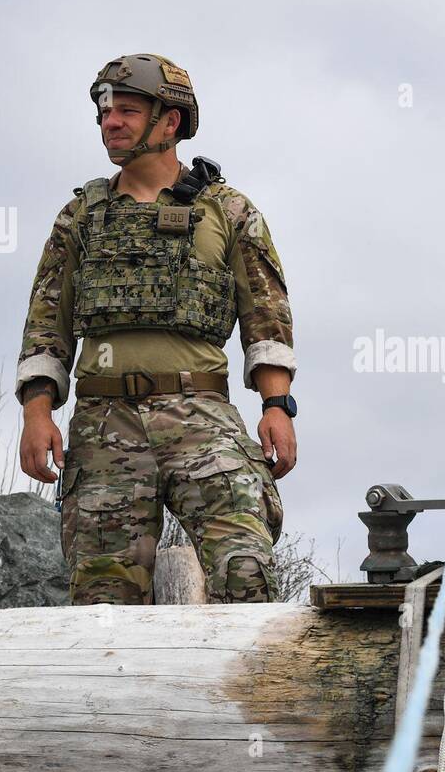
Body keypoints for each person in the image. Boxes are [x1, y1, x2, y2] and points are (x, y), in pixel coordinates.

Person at [16, 53, 297, 604]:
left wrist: (277, 407)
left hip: (202, 418)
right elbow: (46, 324)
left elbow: (267, 320)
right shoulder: (80, 216)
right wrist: (36, 413)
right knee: (103, 600)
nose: (110, 122)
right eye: (104, 112)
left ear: (170, 121)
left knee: (246, 574)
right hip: (104, 426)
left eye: (126, 110)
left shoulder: (228, 211)